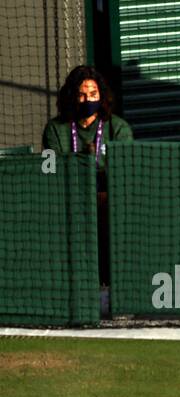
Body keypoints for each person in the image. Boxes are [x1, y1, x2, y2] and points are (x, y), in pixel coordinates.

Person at [41, 66, 134, 315]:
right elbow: (50, 169)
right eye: (82, 95)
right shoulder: (54, 129)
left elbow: (125, 169)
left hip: (108, 200)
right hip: (69, 199)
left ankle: (113, 288)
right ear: (72, 97)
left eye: (93, 94)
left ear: (101, 97)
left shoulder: (118, 127)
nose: (88, 100)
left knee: (106, 210)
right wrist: (82, 159)